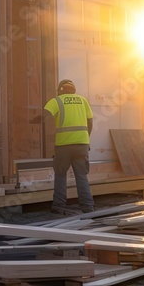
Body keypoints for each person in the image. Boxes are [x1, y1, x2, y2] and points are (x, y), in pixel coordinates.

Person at [44, 78, 94, 214]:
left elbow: (44, 116)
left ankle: (59, 206)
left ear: (60, 90)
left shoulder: (57, 101)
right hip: (82, 145)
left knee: (60, 175)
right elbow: (90, 123)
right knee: (82, 176)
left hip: (63, 146)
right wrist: (85, 139)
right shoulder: (83, 101)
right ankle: (87, 206)